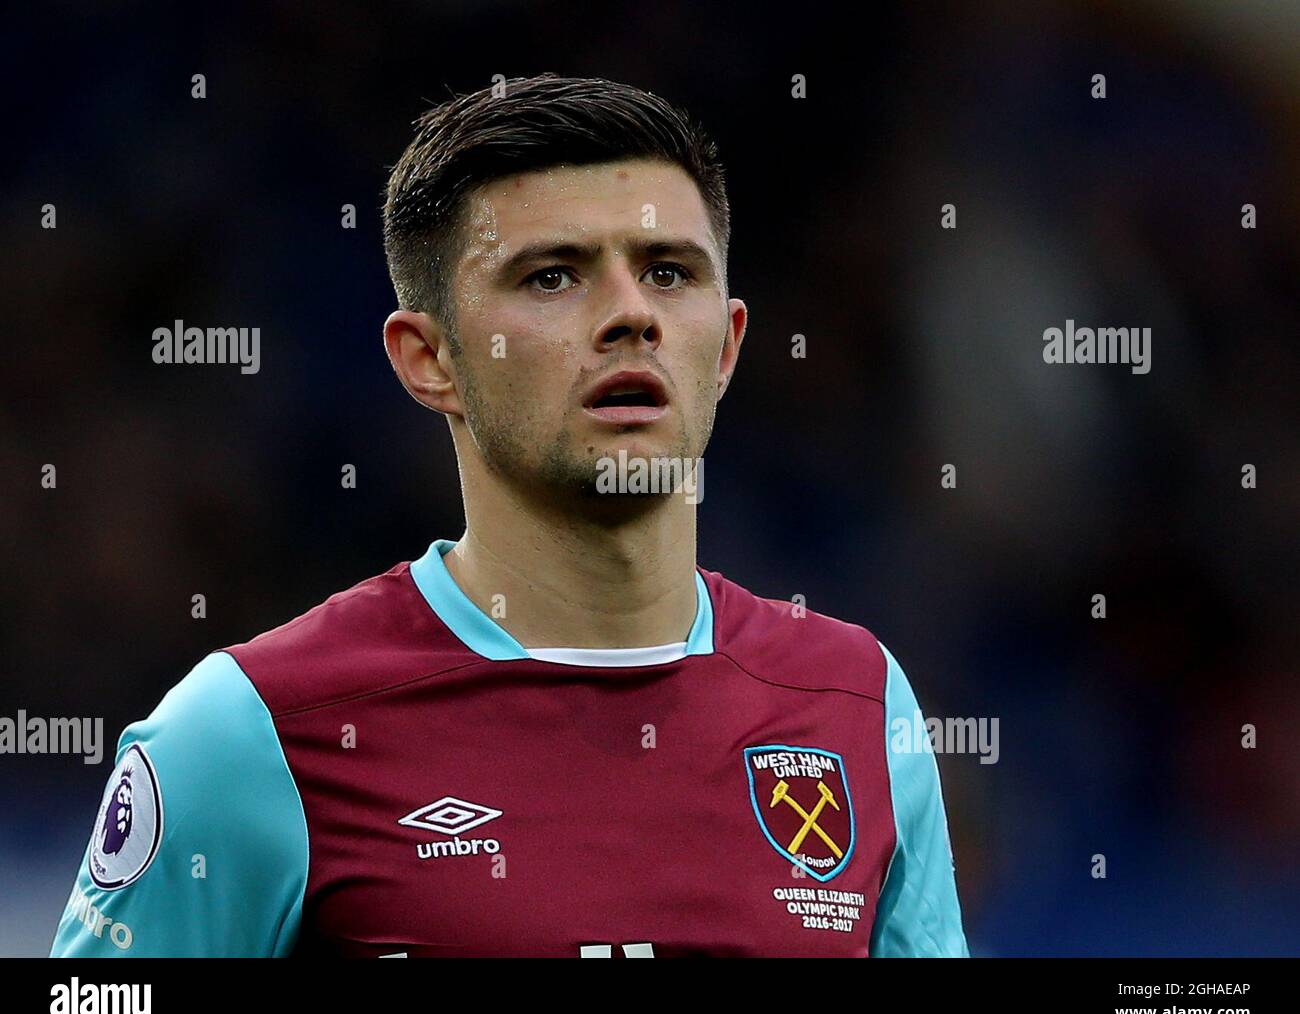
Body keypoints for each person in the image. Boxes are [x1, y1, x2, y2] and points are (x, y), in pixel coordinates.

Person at [50, 74, 967, 957]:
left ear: (725, 347)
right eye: (553, 277)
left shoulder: (855, 703)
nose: (631, 315)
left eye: (667, 271)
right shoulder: (253, 732)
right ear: (430, 358)